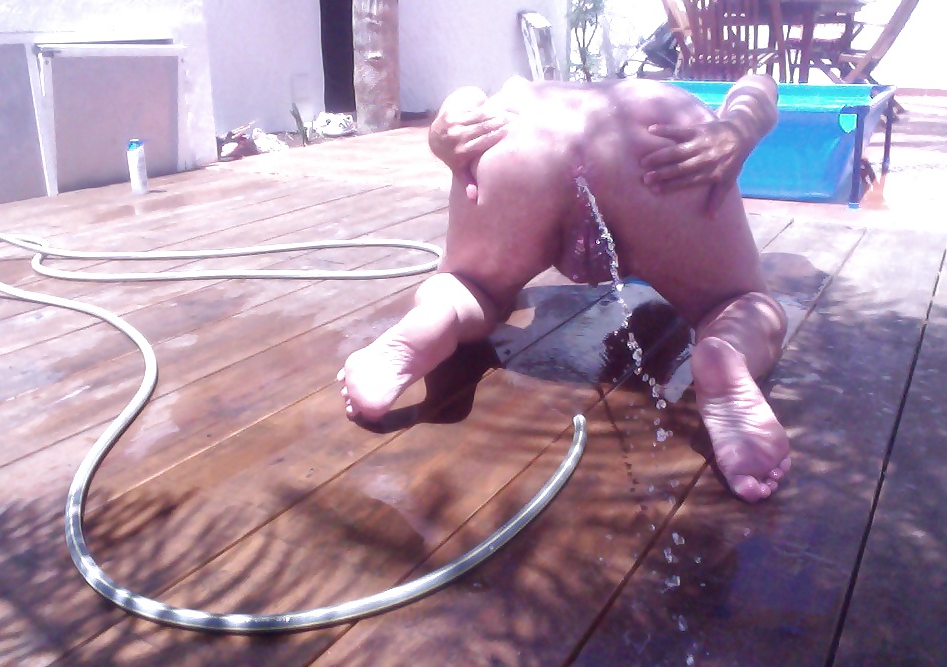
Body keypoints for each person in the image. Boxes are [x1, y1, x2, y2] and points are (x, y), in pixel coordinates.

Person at [337, 73, 790, 503]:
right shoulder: (658, 95)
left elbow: (466, 99)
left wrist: (443, 129)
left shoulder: (524, 89)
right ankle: (726, 350)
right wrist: (739, 129)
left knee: (467, 286)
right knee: (740, 303)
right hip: (662, 147)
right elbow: (760, 85)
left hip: (521, 136)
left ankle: (439, 316)